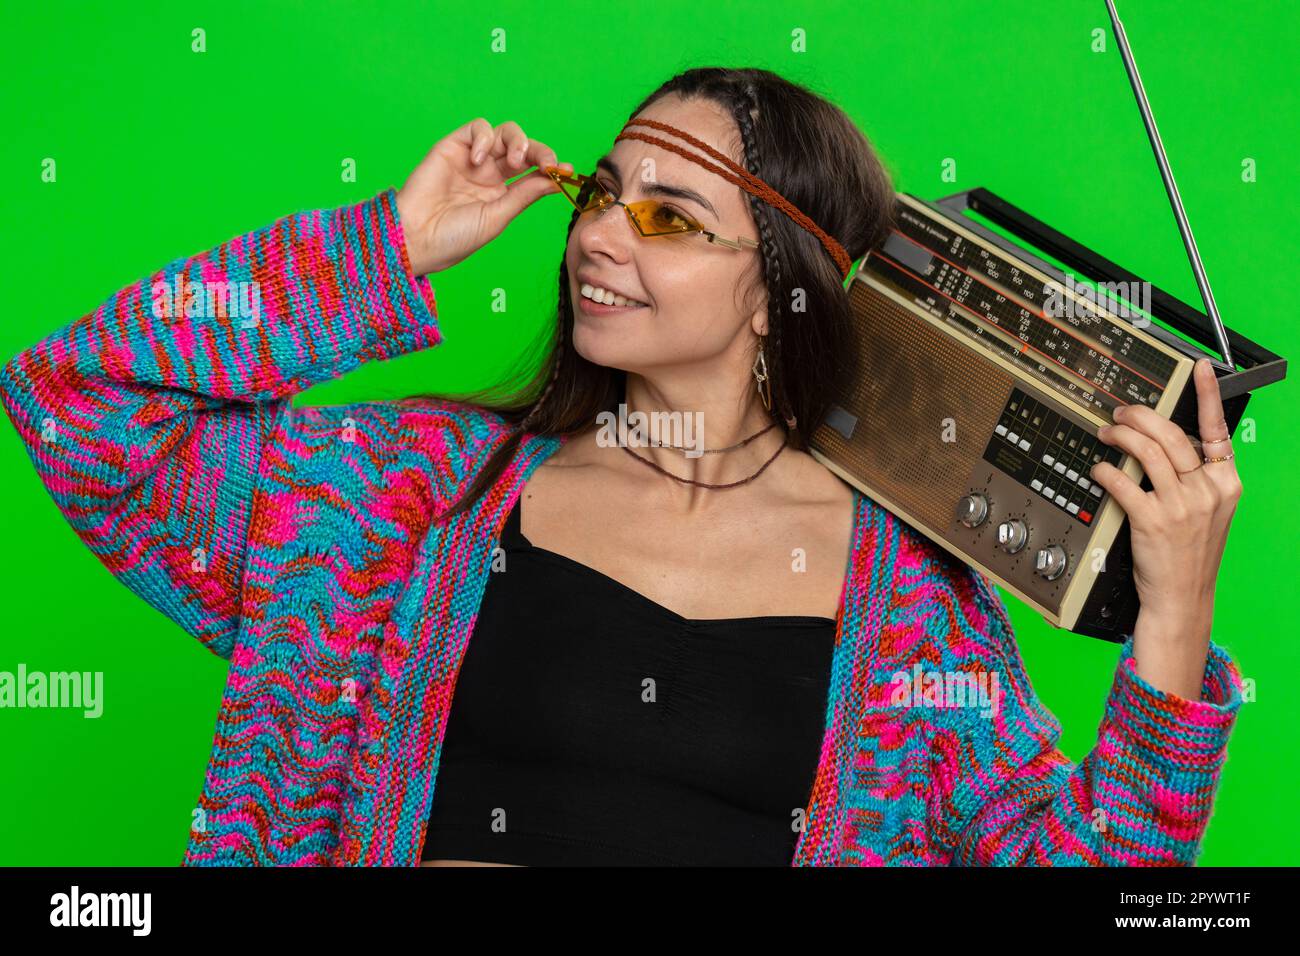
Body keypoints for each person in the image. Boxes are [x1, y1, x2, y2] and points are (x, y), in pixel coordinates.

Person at [0, 67, 1245, 867]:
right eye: (604, 190)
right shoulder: (408, 497)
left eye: (669, 216)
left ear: (779, 296)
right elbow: (77, 404)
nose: (597, 230)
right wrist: (383, 246)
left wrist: (1173, 622)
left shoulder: (913, 610)